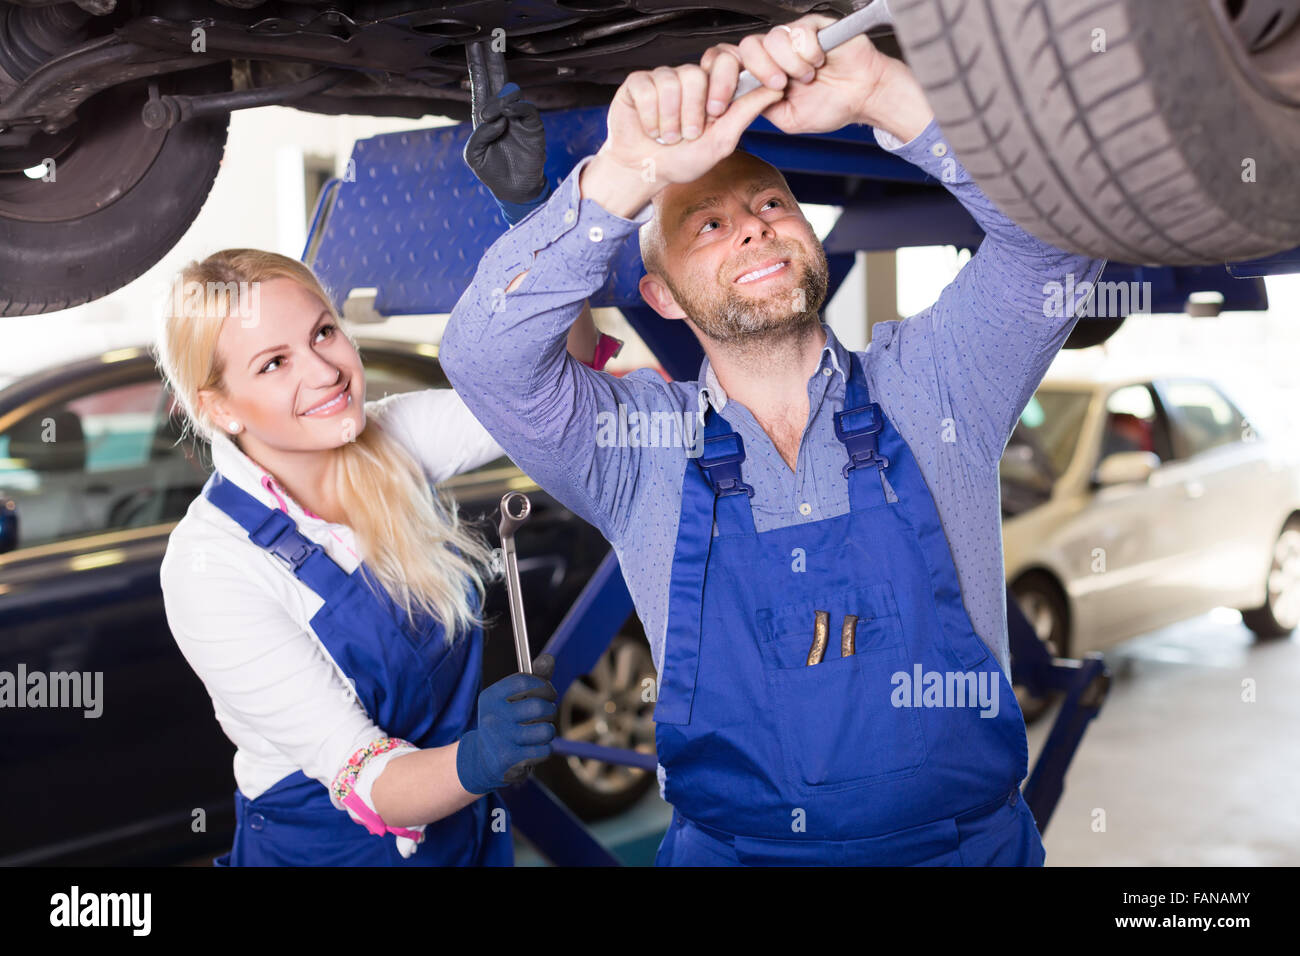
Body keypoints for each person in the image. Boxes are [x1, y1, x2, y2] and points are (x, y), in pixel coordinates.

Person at [440, 14, 1108, 865]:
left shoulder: (937, 386)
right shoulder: (638, 450)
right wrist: (629, 171)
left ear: (808, 238)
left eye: (769, 204)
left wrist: (879, 93)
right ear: (664, 296)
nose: (753, 225)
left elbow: (1058, 241)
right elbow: (483, 357)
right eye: (706, 225)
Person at [156, 248, 577, 866]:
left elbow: (549, 385)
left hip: (460, 831)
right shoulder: (211, 568)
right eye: (274, 363)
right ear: (219, 407)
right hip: (332, 849)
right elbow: (368, 778)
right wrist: (481, 757)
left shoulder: (392, 438)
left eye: (323, 332)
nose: (325, 372)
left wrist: (548, 226)